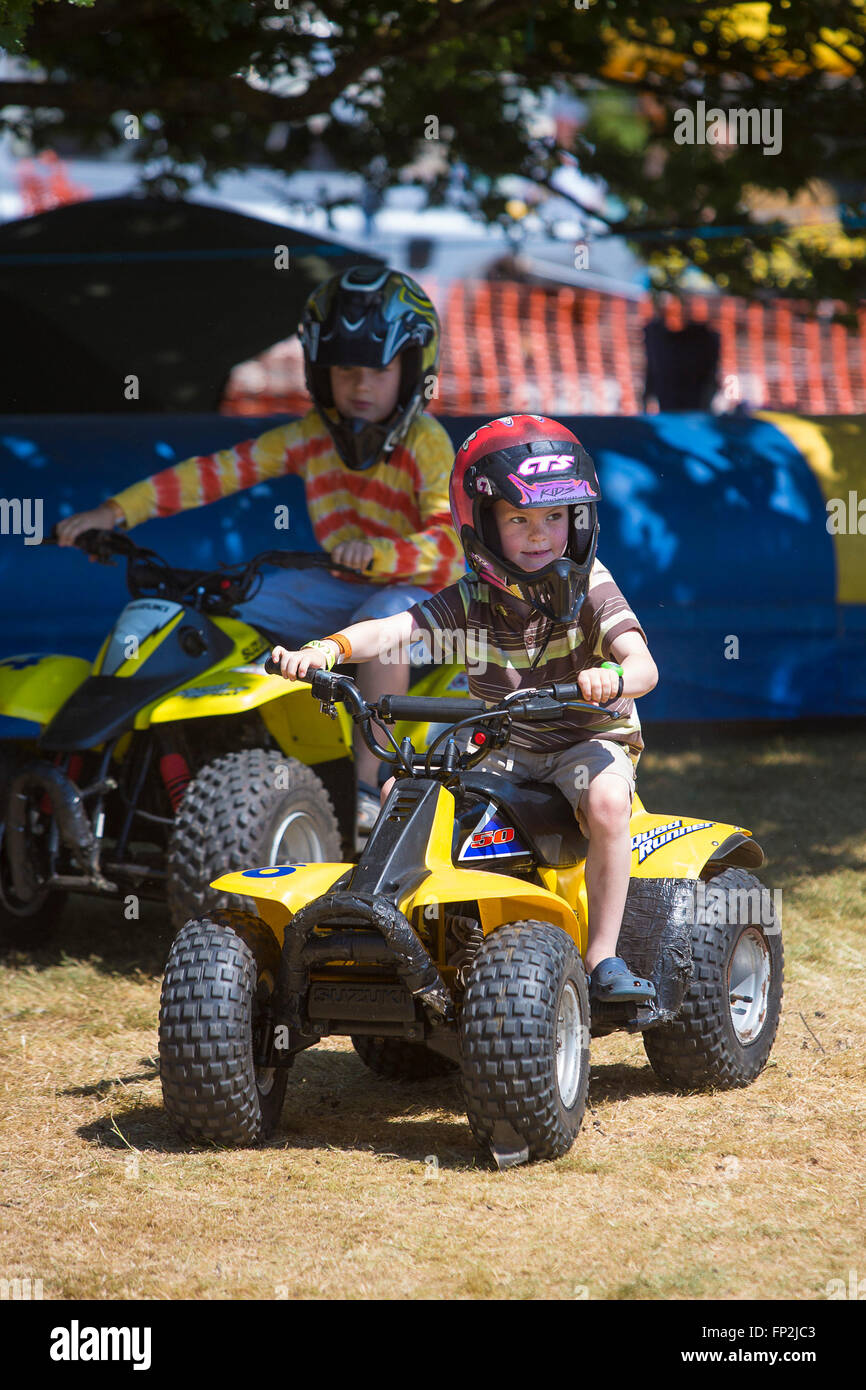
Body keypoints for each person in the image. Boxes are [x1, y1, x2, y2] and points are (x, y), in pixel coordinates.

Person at [56, 265, 463, 838]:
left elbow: (452, 547)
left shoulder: (428, 442)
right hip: (341, 583)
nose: (360, 385)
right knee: (233, 603)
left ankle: (367, 793)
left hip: (425, 595)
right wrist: (112, 513)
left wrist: (379, 554)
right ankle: (226, 754)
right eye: (345, 369)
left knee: (382, 619)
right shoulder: (308, 436)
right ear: (321, 372)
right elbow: (214, 473)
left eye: (378, 368)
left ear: (413, 369)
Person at [270, 414, 660, 1002]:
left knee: (607, 803)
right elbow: (396, 629)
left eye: (554, 517)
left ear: (578, 521)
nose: (539, 535)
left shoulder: (591, 587)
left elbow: (644, 666)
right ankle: (425, 942)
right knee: (427, 797)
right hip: (507, 743)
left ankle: (602, 956)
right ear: (483, 524)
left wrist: (611, 677)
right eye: (519, 519)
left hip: (587, 740)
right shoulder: (472, 596)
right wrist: (331, 648)